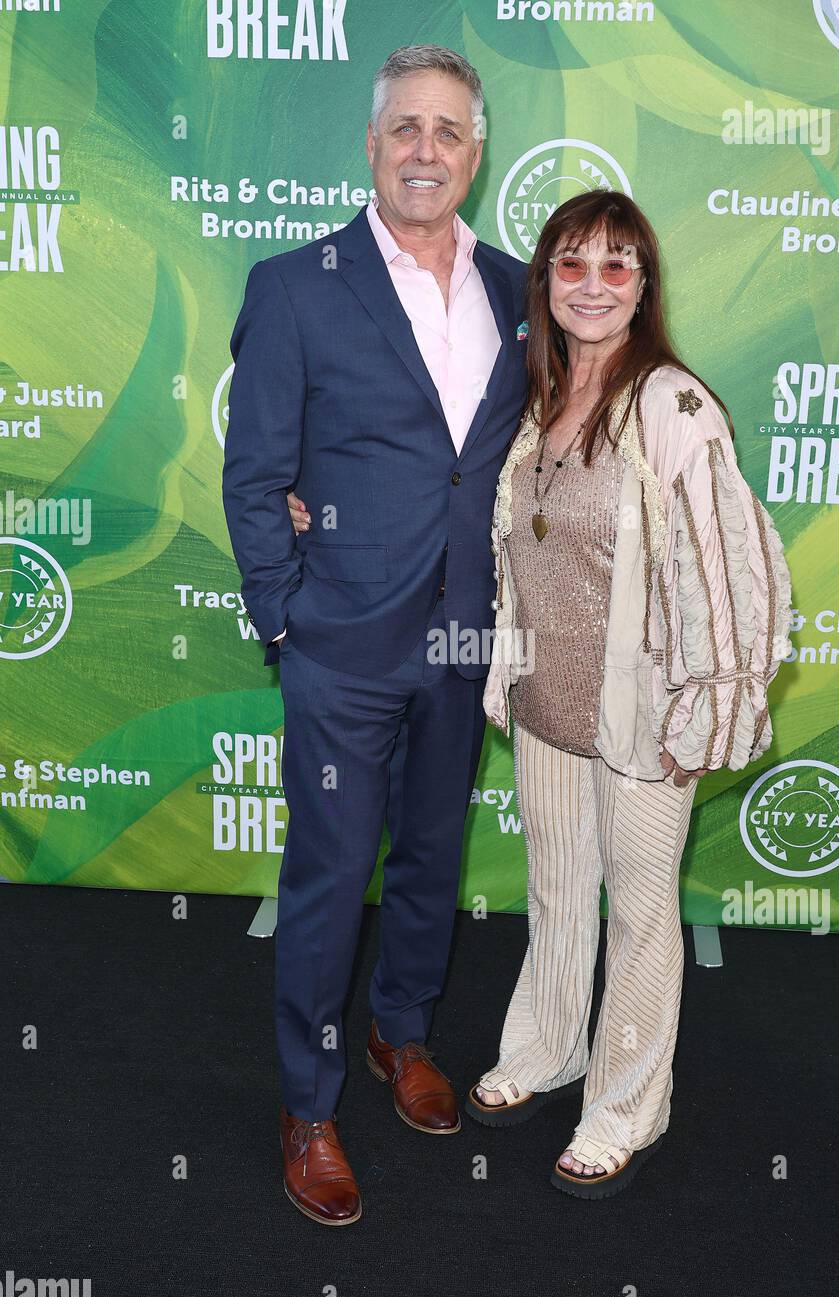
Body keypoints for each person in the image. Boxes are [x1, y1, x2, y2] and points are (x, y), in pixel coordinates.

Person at [222, 45, 529, 1227]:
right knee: (330, 873)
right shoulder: (298, 285)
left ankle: (406, 1034)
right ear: (369, 143)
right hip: (340, 639)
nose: (424, 151)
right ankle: (310, 1103)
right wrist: (286, 610)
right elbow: (256, 475)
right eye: (404, 127)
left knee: (432, 862)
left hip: (463, 637)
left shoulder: (513, 288)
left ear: (476, 152)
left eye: (448, 132)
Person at [464, 190, 793, 1198]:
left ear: (644, 285)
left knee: (639, 911)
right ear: (545, 285)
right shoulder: (536, 394)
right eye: (572, 264)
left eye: (616, 265)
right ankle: (547, 1049)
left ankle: (625, 1106)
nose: (593, 284)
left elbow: (725, 568)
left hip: (646, 714)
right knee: (559, 892)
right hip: (549, 709)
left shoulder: (673, 405)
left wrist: (710, 703)